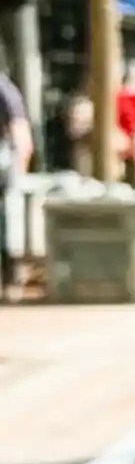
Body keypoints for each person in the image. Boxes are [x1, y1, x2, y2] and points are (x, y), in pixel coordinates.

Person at [0, 71, 33, 304]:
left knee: (8, 219)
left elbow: (20, 130)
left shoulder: (3, 88)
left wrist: (18, 168)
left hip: (4, 160)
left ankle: (11, 273)